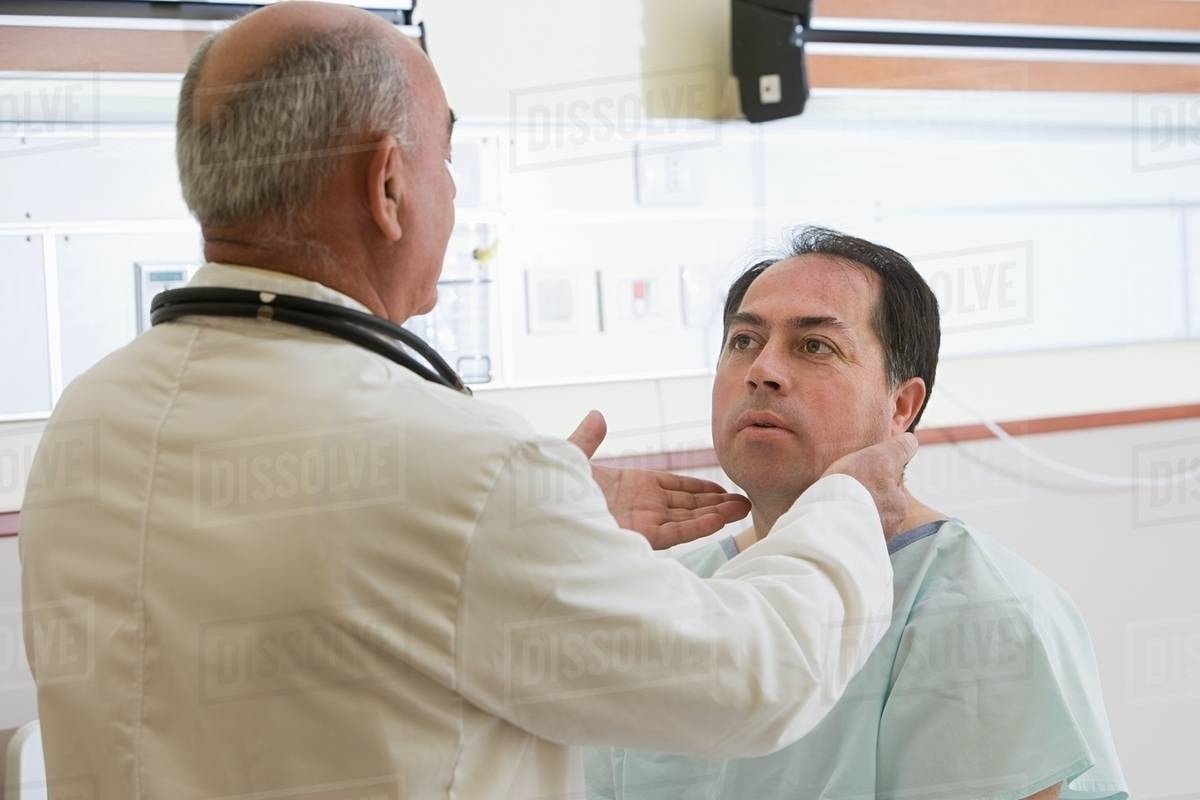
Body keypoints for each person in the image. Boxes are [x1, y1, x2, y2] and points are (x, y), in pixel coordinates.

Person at [19, 5, 919, 800]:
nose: (452, 192)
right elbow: (752, 680)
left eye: (815, 345)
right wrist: (847, 503)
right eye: (446, 158)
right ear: (387, 186)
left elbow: (327, 585)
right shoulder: (463, 471)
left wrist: (544, 518)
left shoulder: (93, 416)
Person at [586, 227, 1128, 800]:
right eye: (743, 340)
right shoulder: (666, 588)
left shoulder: (980, 612)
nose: (762, 370)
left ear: (901, 406)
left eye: (815, 346)